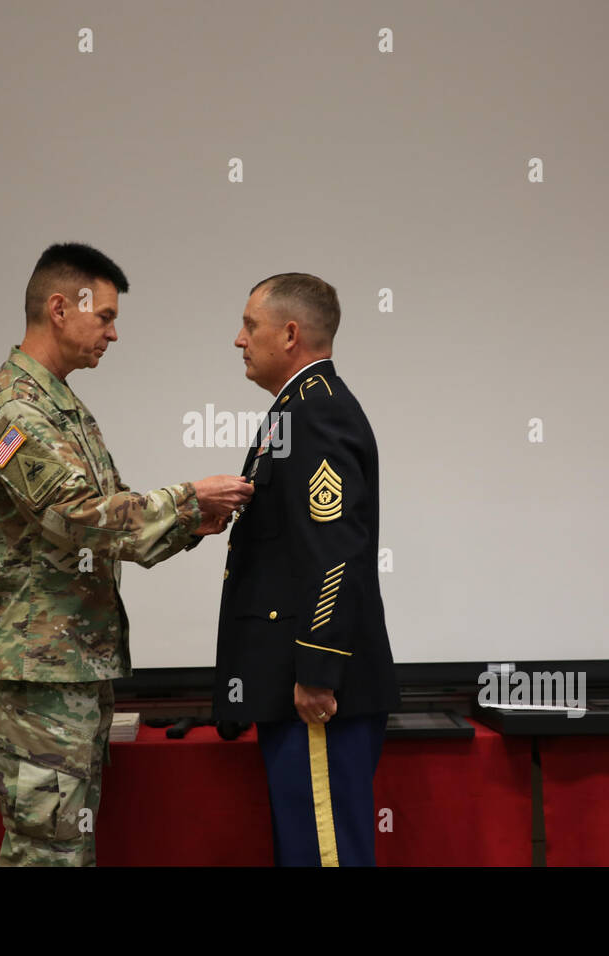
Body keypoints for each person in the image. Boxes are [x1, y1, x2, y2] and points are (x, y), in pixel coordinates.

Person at [0, 242, 251, 866]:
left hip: (75, 668)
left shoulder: (64, 409)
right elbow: (78, 516)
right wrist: (187, 497)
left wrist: (195, 521)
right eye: (106, 317)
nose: (114, 334)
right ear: (60, 308)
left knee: (69, 847)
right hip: (41, 676)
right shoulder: (11, 413)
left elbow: (114, 522)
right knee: (47, 855)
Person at [212, 272, 401, 866]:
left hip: (316, 693)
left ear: (290, 333)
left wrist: (318, 668)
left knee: (325, 855)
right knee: (308, 850)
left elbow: (334, 551)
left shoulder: (316, 413)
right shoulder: (294, 410)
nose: (239, 340)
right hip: (297, 686)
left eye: (250, 326)